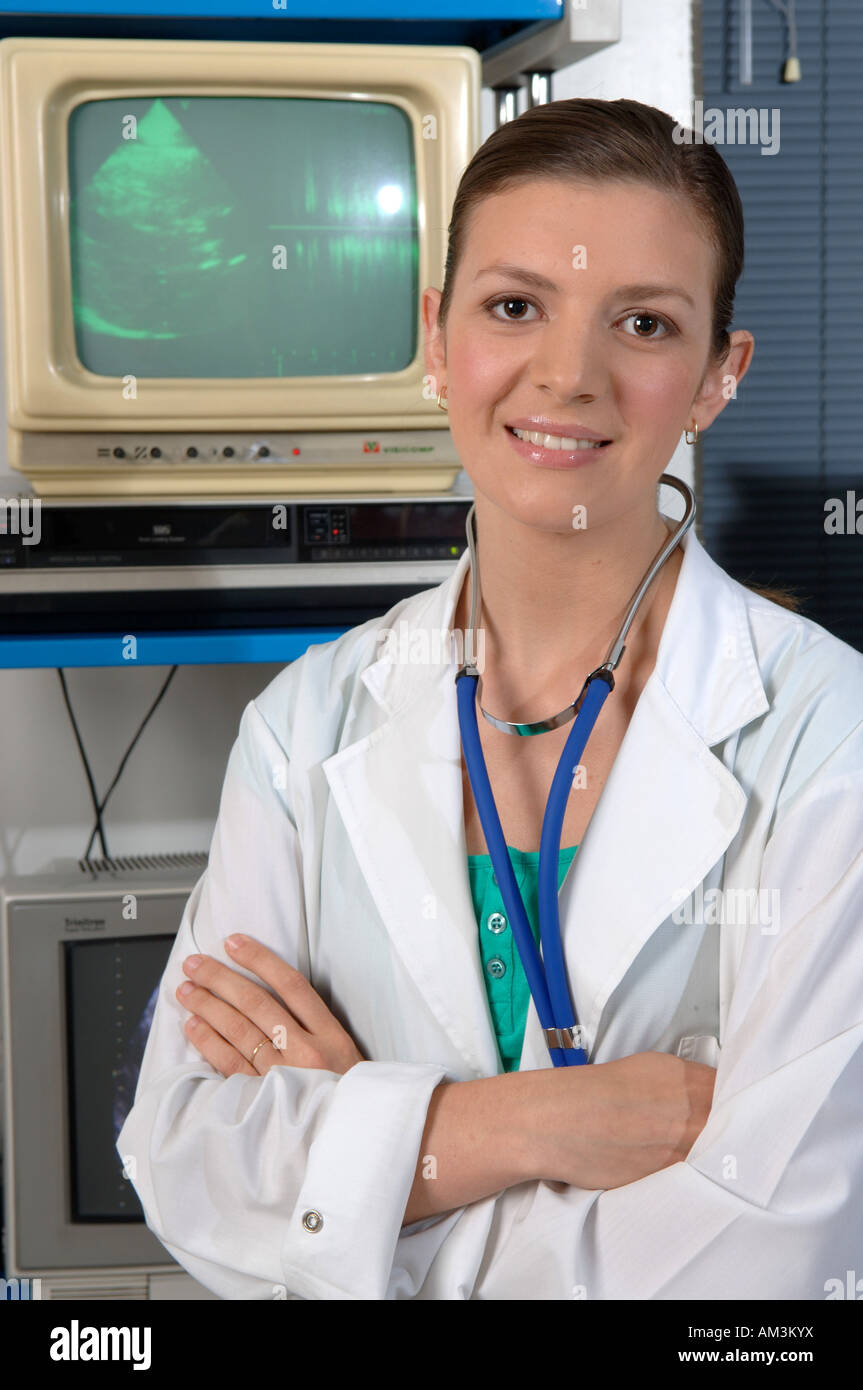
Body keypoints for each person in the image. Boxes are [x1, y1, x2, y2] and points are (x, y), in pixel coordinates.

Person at [117, 98, 863, 1300]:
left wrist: (371, 1170)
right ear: (435, 333)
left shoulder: (831, 741)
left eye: (642, 322)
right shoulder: (308, 730)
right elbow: (189, 1159)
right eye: (514, 307)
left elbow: (776, 1262)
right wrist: (524, 1125)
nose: (565, 376)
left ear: (717, 377)